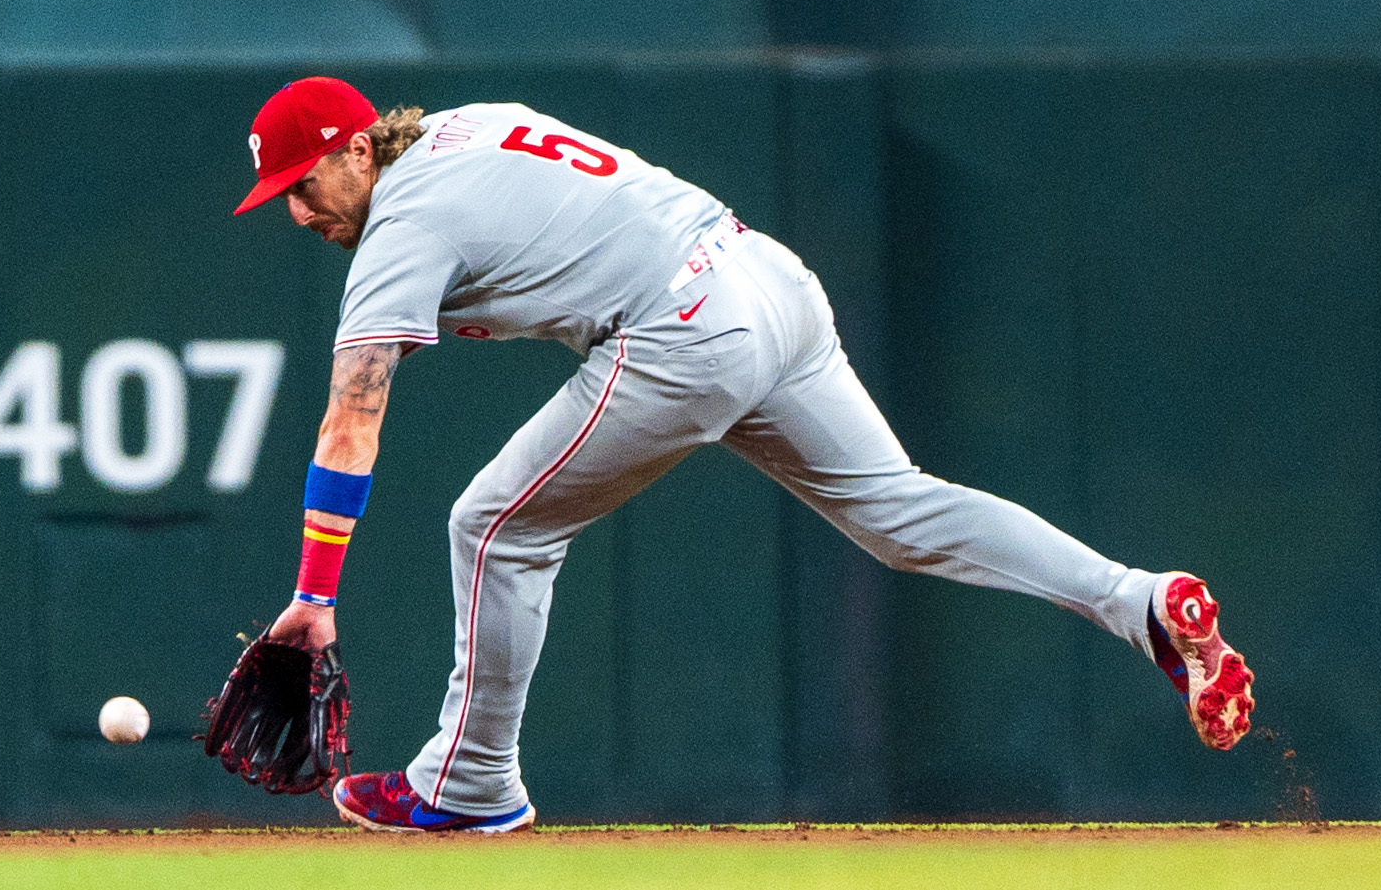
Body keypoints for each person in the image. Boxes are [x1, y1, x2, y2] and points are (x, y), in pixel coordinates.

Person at [234, 75, 1255, 833]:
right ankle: (1139, 600)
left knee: (492, 527)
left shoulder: (399, 224)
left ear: (357, 149)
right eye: (278, 192)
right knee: (901, 510)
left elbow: (351, 413)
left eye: (302, 178)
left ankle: (468, 786)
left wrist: (314, 592)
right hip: (762, 277)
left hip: (683, 325)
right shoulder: (463, 125)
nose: (295, 207)